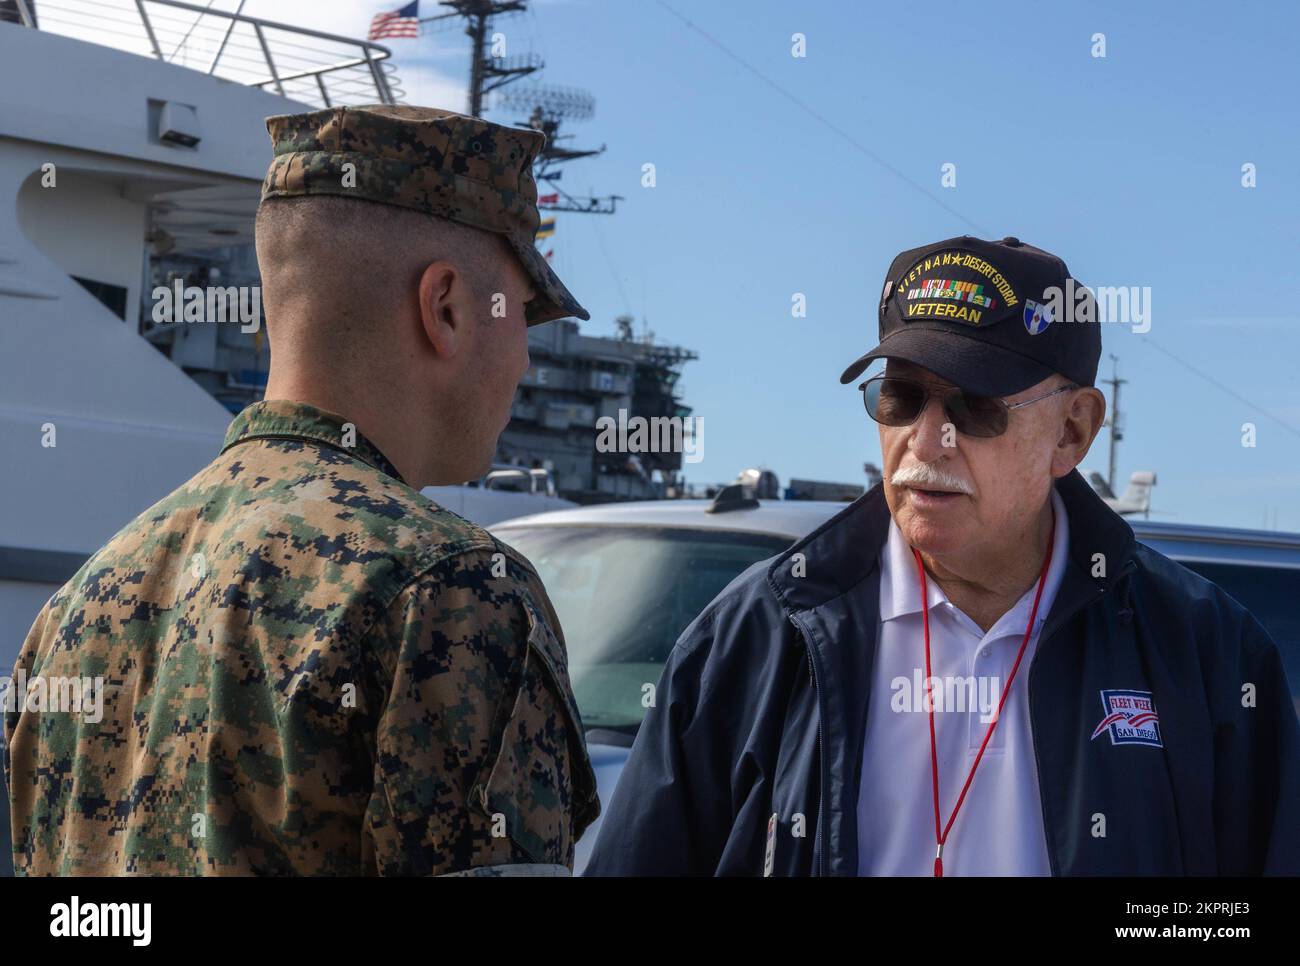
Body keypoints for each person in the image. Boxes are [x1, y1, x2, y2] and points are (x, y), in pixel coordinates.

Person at [4, 104, 599, 875]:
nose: (524, 357)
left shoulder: (81, 604)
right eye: (521, 312)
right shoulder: (449, 591)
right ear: (446, 306)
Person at [585, 235, 1300, 876]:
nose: (927, 443)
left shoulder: (1207, 651)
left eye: (975, 407)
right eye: (900, 398)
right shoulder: (757, 635)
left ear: (1073, 433)